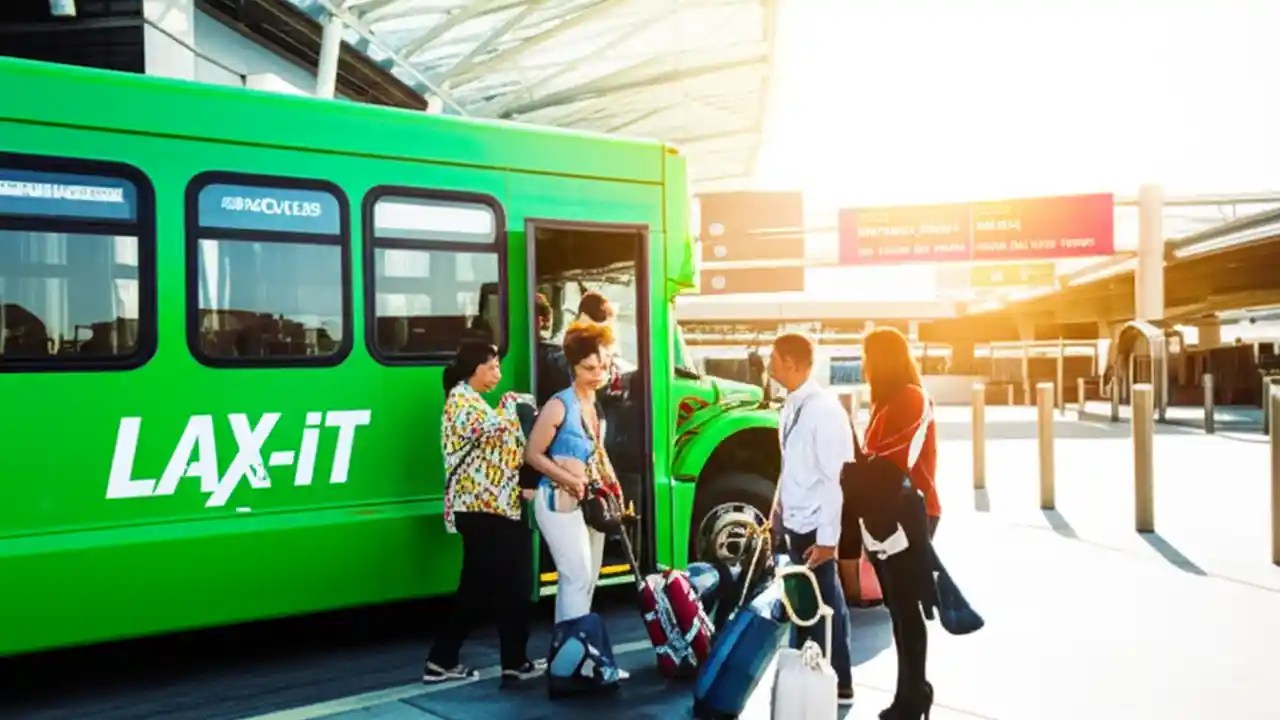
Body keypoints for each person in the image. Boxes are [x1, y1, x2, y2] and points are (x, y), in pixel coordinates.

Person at [423, 341, 545, 685]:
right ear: (474, 368)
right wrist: (515, 404)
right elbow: (500, 430)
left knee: (481, 588)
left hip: (487, 509)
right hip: (488, 510)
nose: (498, 374)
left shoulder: (470, 400)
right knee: (511, 585)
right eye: (492, 367)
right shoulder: (461, 402)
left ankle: (450, 660)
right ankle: (508, 662)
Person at [523, 321, 629, 679]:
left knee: (585, 579)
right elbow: (533, 454)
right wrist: (569, 479)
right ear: (574, 366)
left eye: (603, 366)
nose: (598, 374)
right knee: (576, 575)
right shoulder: (559, 404)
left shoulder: (595, 405)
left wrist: (612, 487)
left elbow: (597, 452)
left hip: (586, 501)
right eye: (589, 368)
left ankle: (567, 657)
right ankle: (574, 660)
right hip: (557, 500)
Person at [767, 332, 857, 707]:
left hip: (815, 527)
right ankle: (818, 682)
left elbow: (836, 481)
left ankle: (836, 683)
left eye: (773, 358)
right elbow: (790, 466)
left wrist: (827, 541)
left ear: (791, 363)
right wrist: (777, 509)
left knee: (823, 607)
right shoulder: (792, 406)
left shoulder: (825, 411)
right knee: (810, 605)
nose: (768, 364)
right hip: (796, 521)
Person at [861, 326, 940, 720]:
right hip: (885, 512)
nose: (864, 365)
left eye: (867, 356)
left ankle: (914, 695)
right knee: (897, 608)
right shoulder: (886, 402)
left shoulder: (910, 398)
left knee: (906, 607)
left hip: (910, 512)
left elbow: (890, 459)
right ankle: (909, 692)